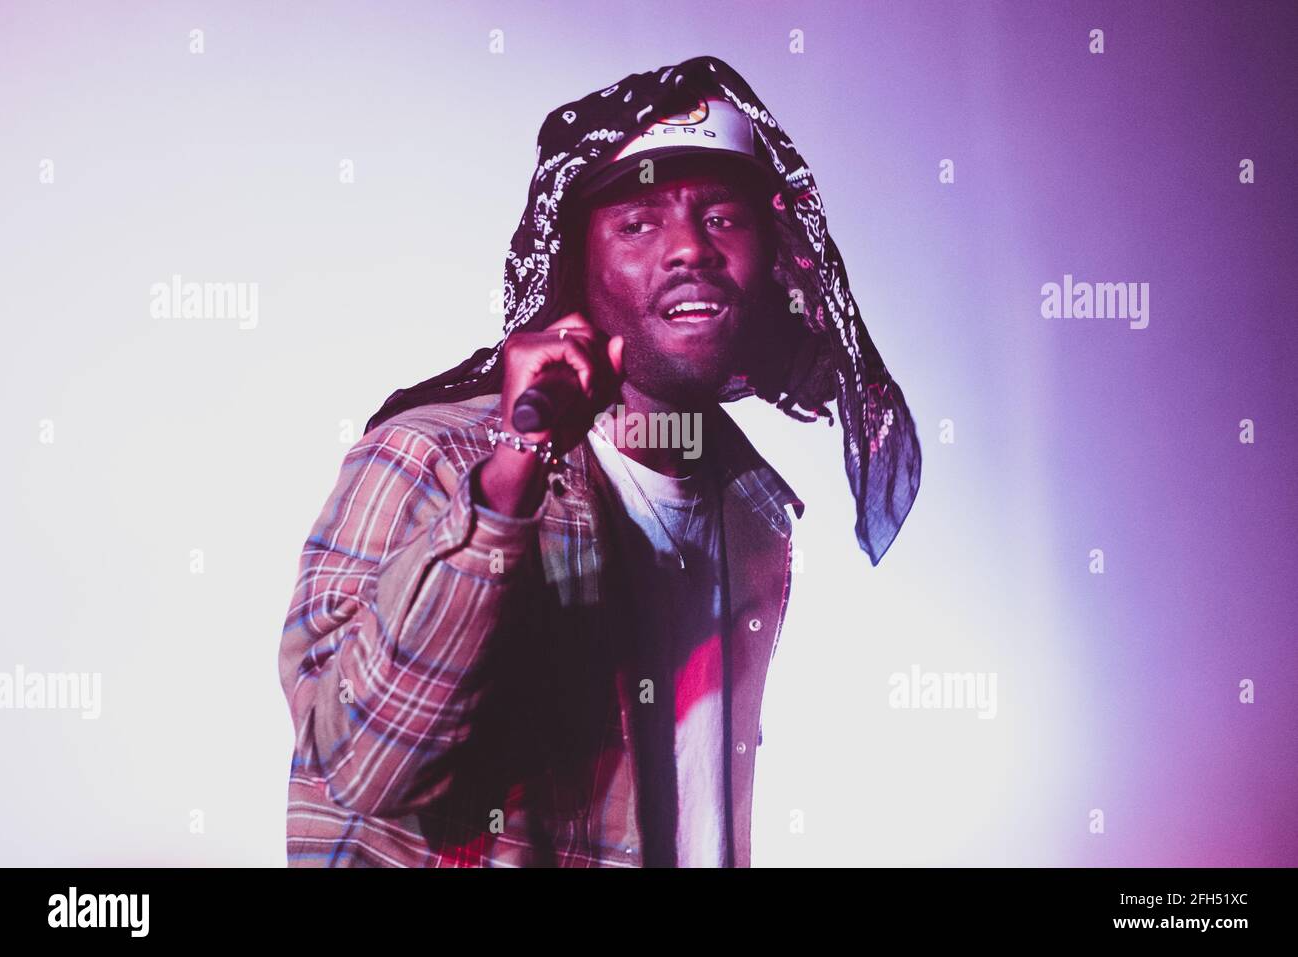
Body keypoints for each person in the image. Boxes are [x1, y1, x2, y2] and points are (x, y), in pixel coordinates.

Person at [278, 55, 921, 867]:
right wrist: (511, 479)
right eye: (638, 224)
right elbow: (361, 767)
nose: (691, 249)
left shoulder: (753, 514)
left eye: (724, 217)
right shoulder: (431, 456)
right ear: (577, 270)